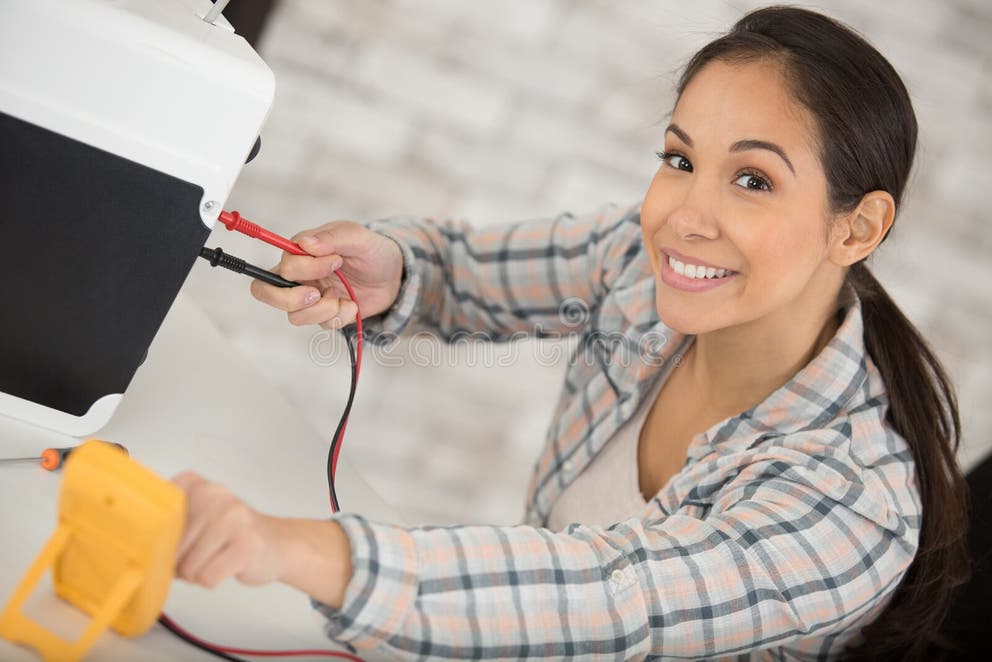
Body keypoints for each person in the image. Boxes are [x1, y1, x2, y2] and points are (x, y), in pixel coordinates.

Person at [172, 6, 970, 659]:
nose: (685, 217)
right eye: (680, 159)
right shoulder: (639, 261)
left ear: (858, 229)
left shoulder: (852, 504)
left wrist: (290, 549)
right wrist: (394, 270)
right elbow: (462, 273)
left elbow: (609, 596)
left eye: (753, 180)